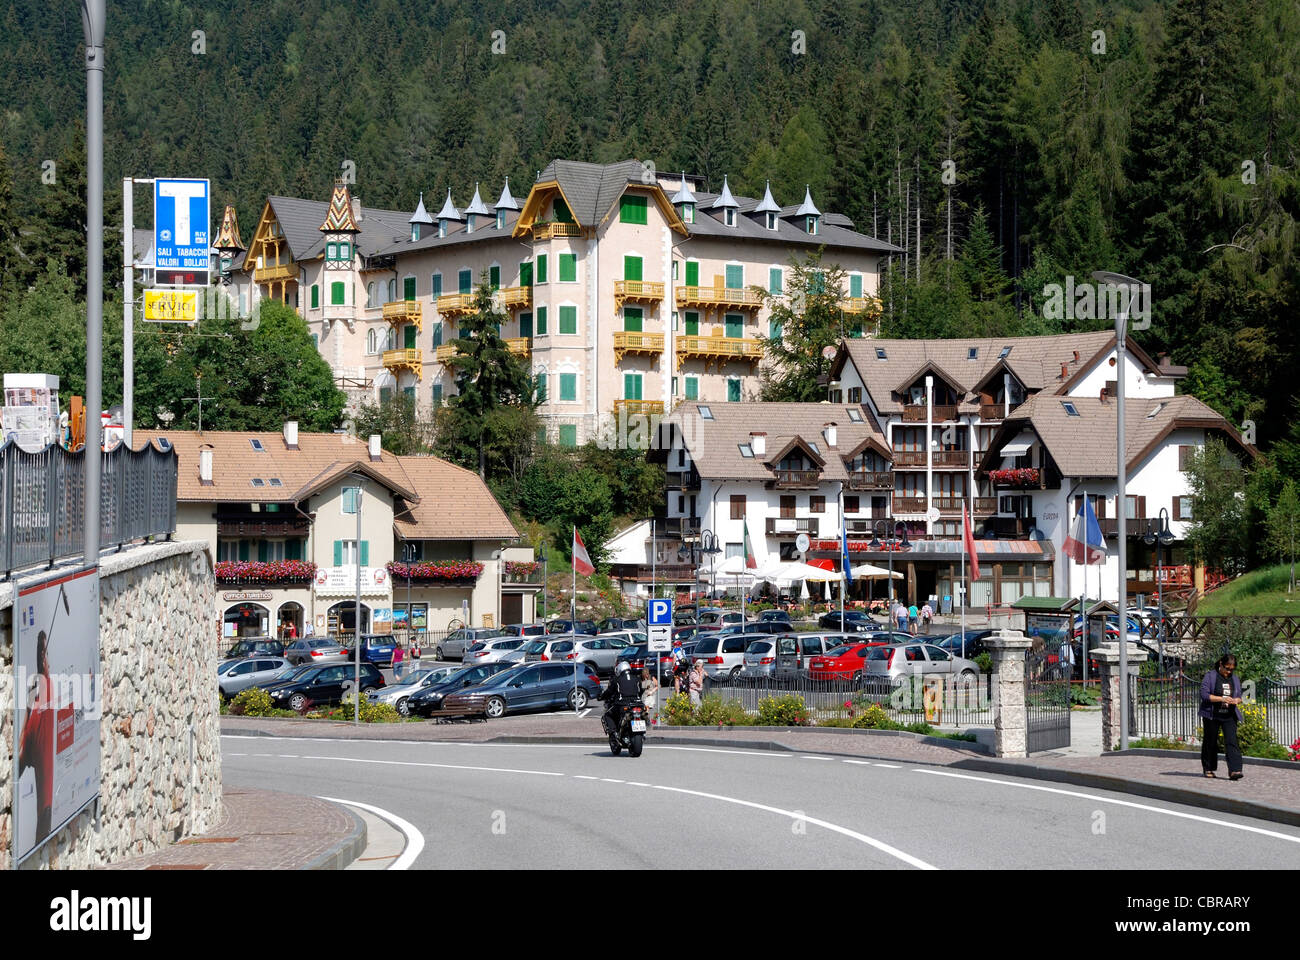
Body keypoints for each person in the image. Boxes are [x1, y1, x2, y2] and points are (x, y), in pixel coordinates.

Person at [17, 630, 54, 841]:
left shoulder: (48, 681)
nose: (43, 656)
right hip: (31, 740)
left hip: (42, 756)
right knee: (14, 773)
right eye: (41, 652)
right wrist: (23, 739)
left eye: (46, 653)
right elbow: (27, 713)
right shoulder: (35, 684)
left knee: (44, 817)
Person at [1199, 654, 1244, 780]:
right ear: (1220, 664)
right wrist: (1222, 699)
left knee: (1232, 741)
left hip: (1229, 715)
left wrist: (1236, 700)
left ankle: (1235, 770)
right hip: (1212, 714)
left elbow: (1240, 696)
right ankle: (1208, 768)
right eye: (1227, 668)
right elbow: (1204, 695)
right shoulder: (1211, 676)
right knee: (1210, 741)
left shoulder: (1234, 679)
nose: (1229, 671)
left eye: (1231, 669)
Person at [600, 660, 643, 732]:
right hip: (637, 703)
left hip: (622, 703)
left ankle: (613, 732)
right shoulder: (637, 678)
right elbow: (641, 691)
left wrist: (601, 696)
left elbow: (609, 691)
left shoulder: (616, 680)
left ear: (620, 669)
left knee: (607, 714)